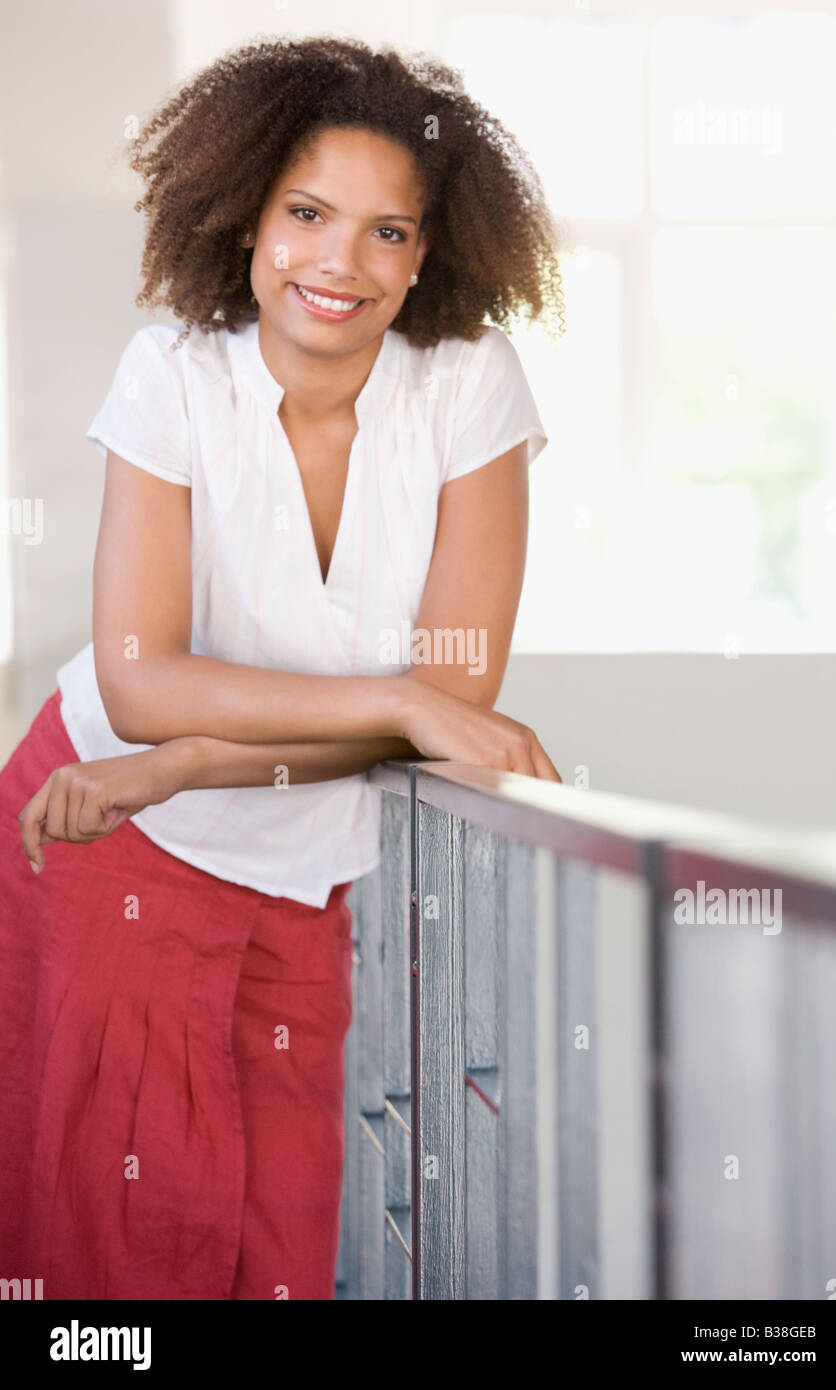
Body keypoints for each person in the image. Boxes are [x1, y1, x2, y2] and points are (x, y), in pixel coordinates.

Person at [0, 34, 563, 1301]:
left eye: (387, 231)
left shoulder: (468, 388)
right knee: (116, 1255)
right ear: (246, 219)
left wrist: (205, 759)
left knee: (276, 1245)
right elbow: (140, 682)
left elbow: (456, 696)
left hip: (290, 861)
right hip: (106, 835)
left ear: (426, 256)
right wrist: (394, 700)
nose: (339, 262)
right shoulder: (170, 381)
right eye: (307, 213)